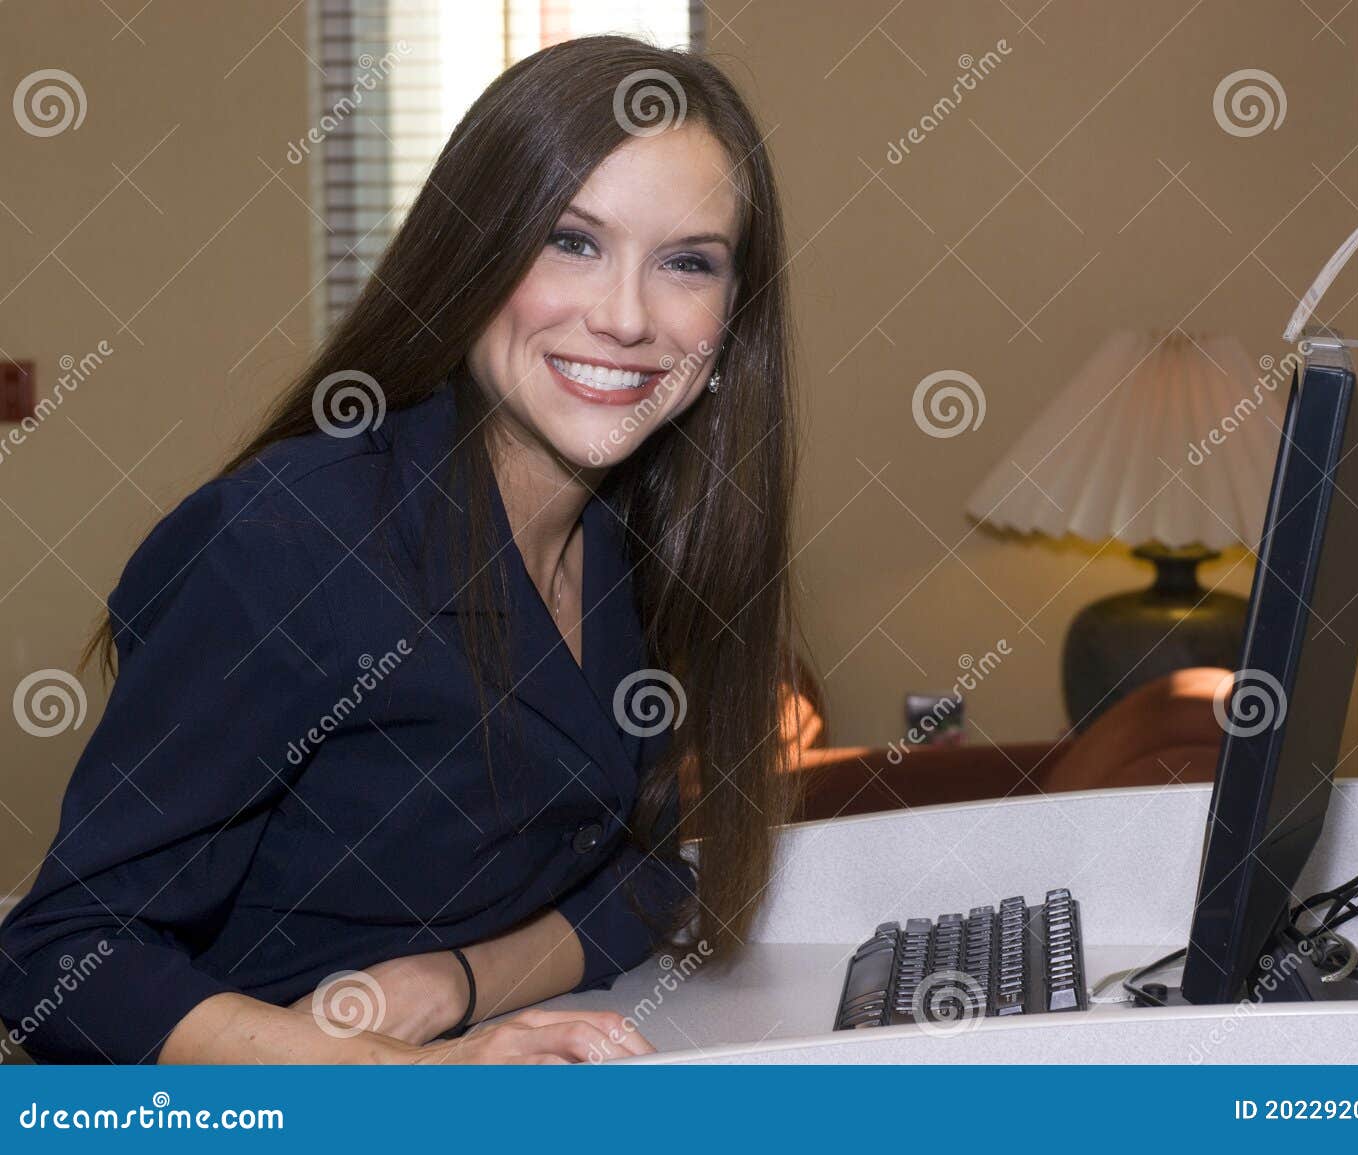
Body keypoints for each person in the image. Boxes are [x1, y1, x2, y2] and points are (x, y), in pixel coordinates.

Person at [0, 34, 800, 1065]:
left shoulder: (637, 537)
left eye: (686, 262)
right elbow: (60, 960)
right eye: (571, 240)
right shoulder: (294, 541)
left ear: (733, 321)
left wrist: (448, 983)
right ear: (470, 258)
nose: (626, 316)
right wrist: (403, 1080)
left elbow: (645, 877)